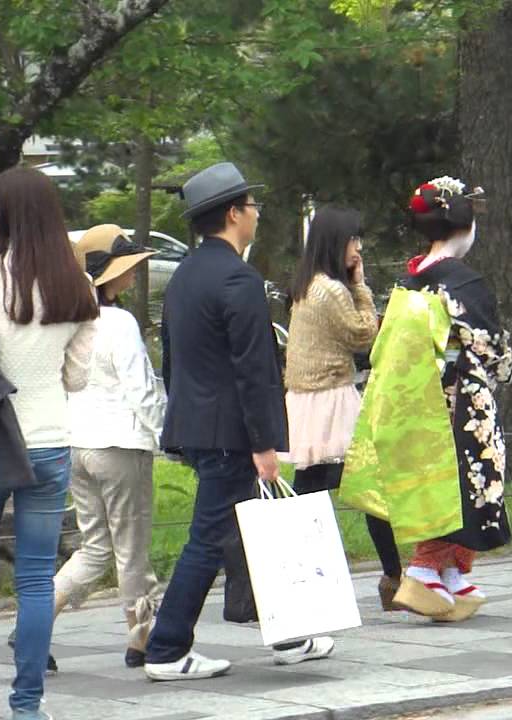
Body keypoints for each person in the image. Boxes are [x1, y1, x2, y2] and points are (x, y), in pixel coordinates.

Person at [144, 162, 331, 681]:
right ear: (233, 213)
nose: (256, 215)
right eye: (252, 206)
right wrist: (264, 443)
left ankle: (290, 635)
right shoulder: (238, 279)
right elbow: (254, 369)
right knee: (209, 539)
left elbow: (173, 359)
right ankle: (166, 647)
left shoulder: (185, 275)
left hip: (198, 424)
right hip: (232, 432)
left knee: (248, 532)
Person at [0, 166, 99, 720]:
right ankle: (28, 705)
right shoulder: (76, 285)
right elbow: (76, 377)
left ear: (5, 212)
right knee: (35, 578)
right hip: (50, 443)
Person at [342, 176, 512, 622]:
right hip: (460, 402)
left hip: (418, 401)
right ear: (465, 225)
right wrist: (500, 370)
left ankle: (450, 574)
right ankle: (423, 569)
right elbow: (490, 349)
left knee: (439, 485)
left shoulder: (410, 280)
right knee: (465, 486)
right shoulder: (464, 283)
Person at [48, 225, 166, 669]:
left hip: (78, 445)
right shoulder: (120, 322)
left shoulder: (68, 321)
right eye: (127, 267)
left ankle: (32, 625)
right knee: (131, 550)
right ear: (109, 274)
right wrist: (166, 433)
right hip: (121, 445)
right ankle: (143, 638)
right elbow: (141, 390)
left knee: (94, 548)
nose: (133, 274)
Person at [282, 206, 403, 608]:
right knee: (369, 486)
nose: (359, 248)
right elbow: (363, 333)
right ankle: (392, 578)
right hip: (331, 399)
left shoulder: (308, 285)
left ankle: (300, 575)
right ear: (336, 242)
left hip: (309, 399)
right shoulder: (331, 291)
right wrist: (362, 286)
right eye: (353, 240)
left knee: (312, 488)